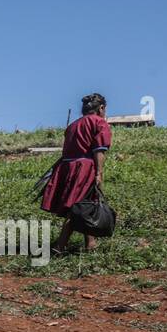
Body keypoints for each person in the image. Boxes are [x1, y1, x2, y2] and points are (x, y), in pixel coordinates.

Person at [41, 93, 111, 255]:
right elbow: (99, 151)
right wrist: (99, 173)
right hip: (84, 169)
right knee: (78, 208)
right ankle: (59, 247)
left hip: (67, 168)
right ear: (101, 108)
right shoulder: (99, 123)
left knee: (87, 204)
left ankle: (91, 244)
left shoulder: (73, 125)